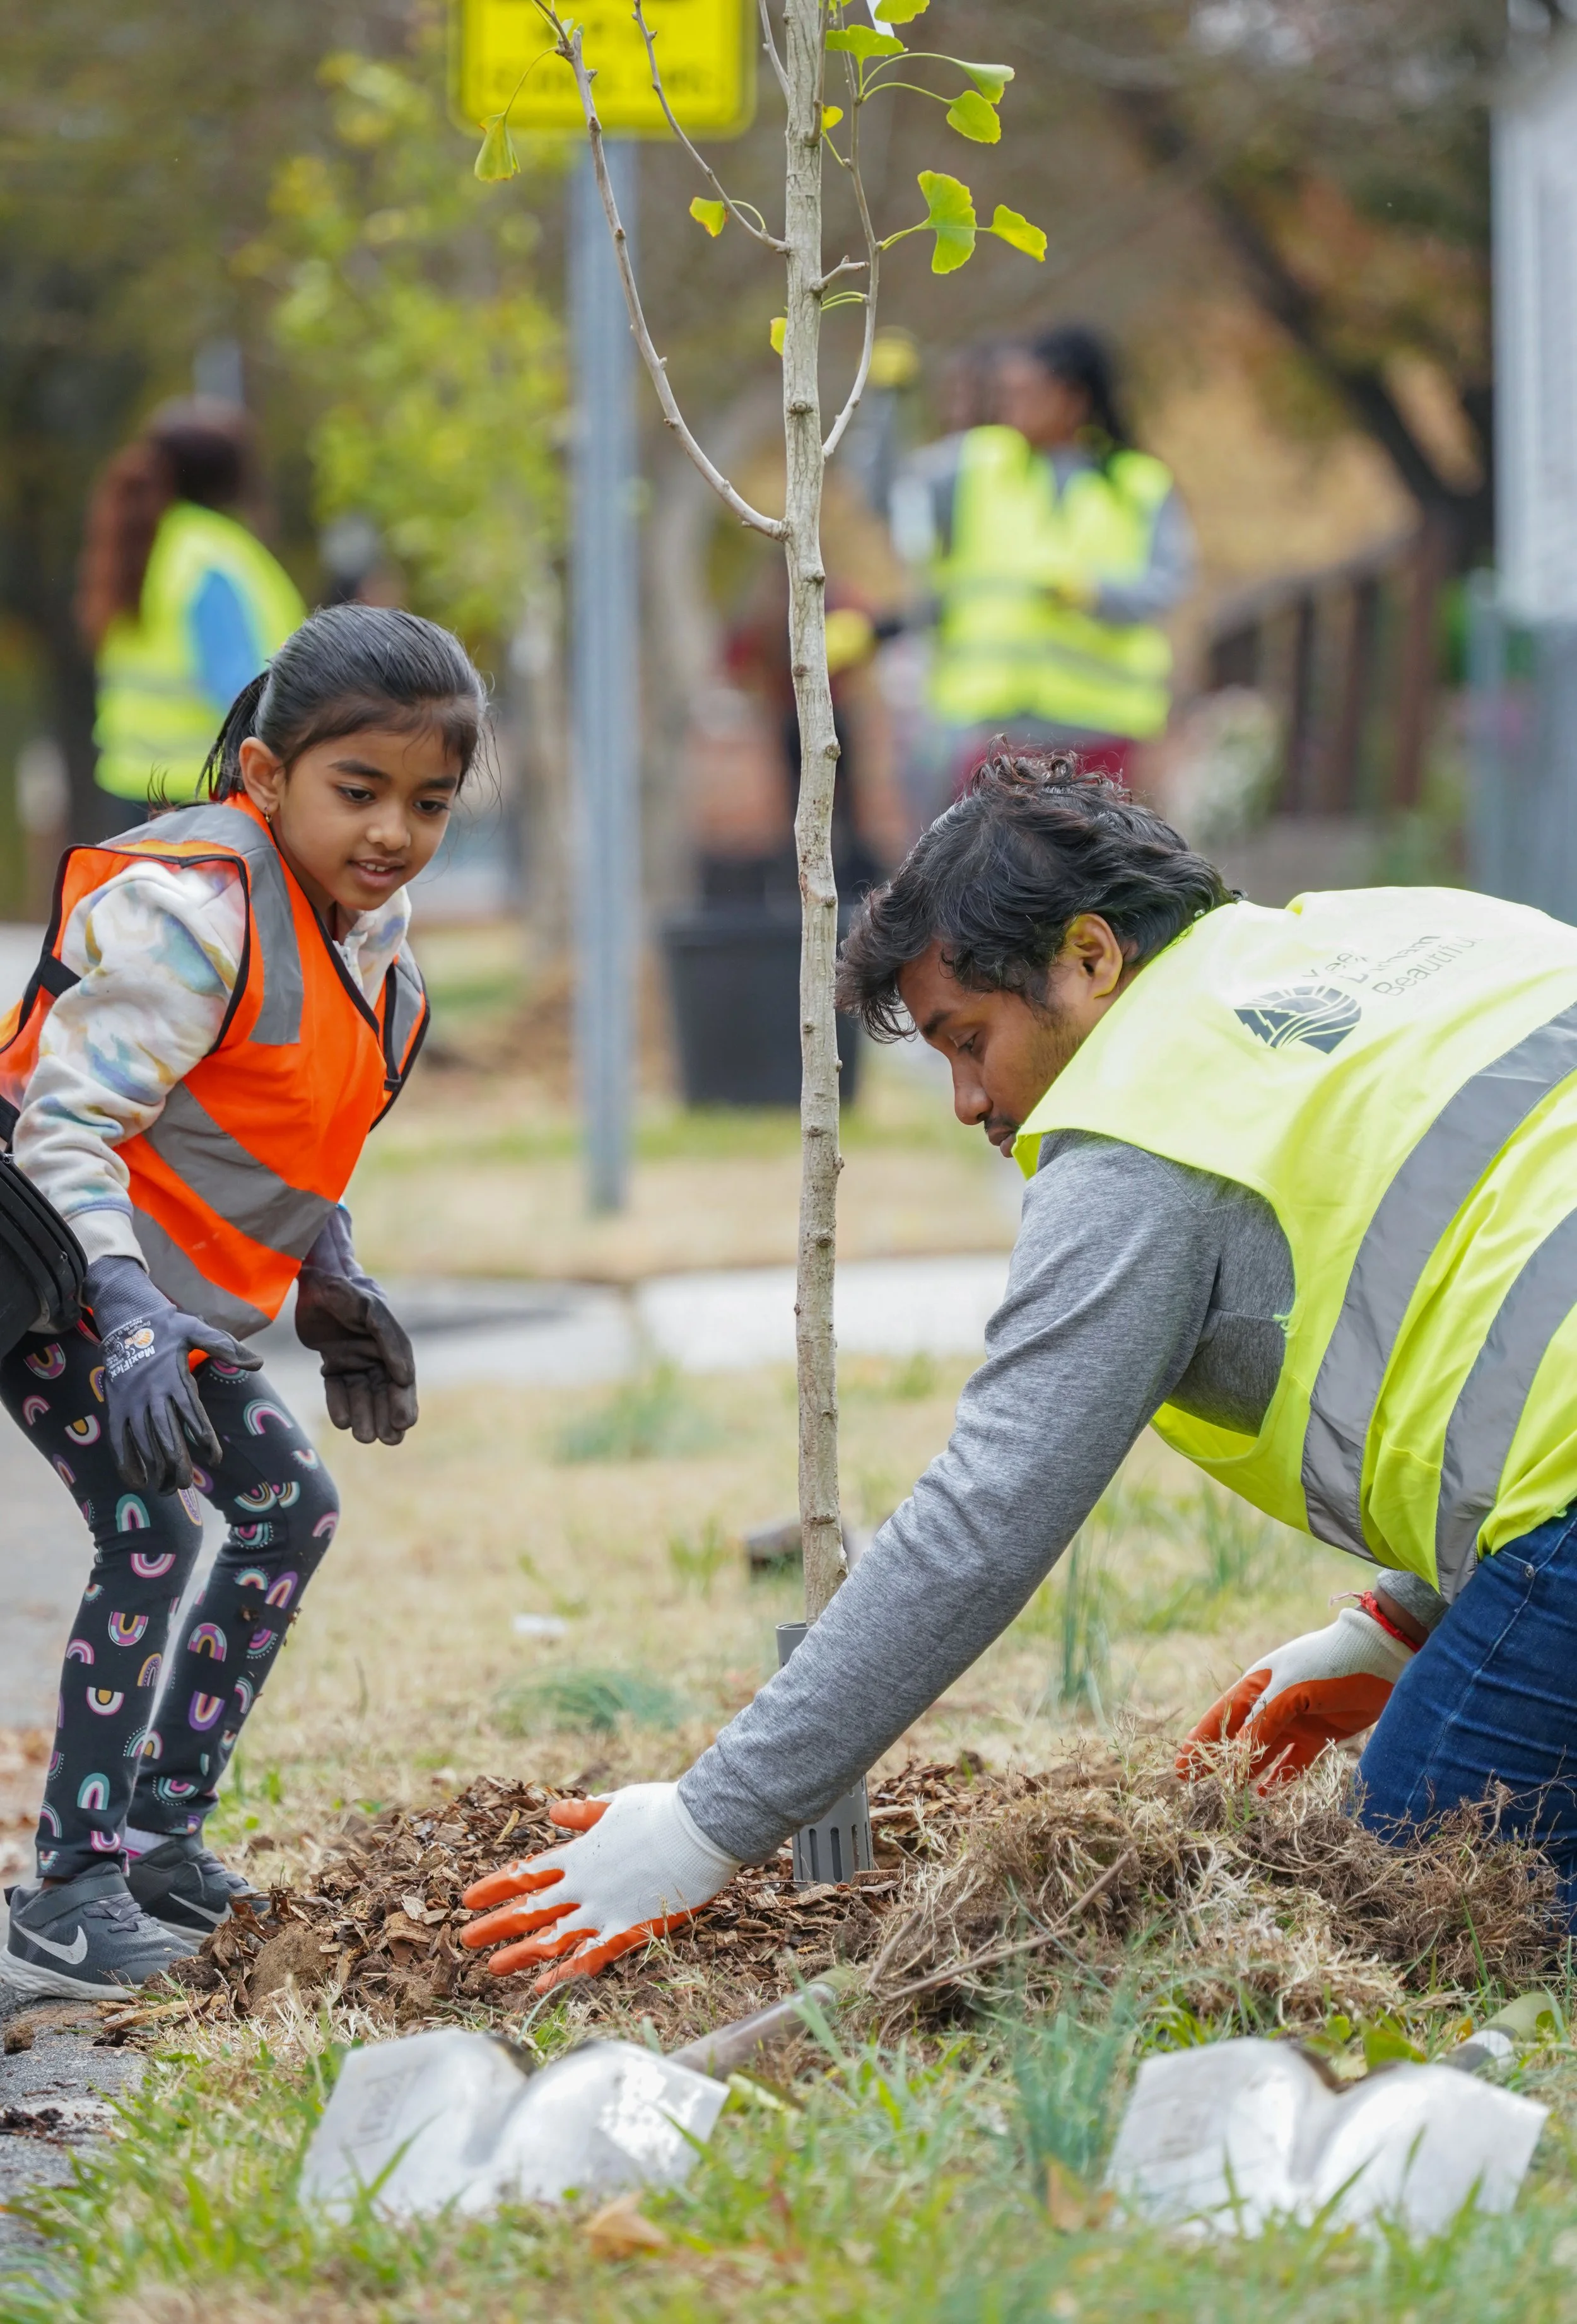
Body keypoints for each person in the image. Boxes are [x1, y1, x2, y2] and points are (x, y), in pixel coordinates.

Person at [455, 750, 1577, 1988]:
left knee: (1428, 1912)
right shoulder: (1408, 931)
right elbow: (1499, 1265)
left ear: (1091, 960)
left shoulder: (1141, 1134)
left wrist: (699, 1826)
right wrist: (1406, 1614)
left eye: (968, 1038)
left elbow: (983, 1516)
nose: (963, 1099)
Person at [0, 604, 487, 1997]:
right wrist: (128, 1307)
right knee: (149, 1527)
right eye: (359, 791)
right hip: (49, 1262)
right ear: (267, 780)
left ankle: (159, 1842)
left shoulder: (372, 941)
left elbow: (285, 1124)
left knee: (289, 1507)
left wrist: (334, 1278)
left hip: (155, 1302)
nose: (392, 829)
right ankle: (69, 1889)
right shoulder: (197, 913)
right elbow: (65, 1127)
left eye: (428, 802)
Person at [890, 328, 1195, 814]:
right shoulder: (976, 463)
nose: (1011, 408)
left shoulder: (1139, 483)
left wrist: (1092, 592)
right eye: (1006, 394)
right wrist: (888, 401)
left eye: (1027, 394)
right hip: (995, 727)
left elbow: (1166, 585)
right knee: (996, 879)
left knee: (1092, 878)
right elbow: (894, 496)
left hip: (1100, 725)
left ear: (1074, 399)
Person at [76, 400, 307, 819]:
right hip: (202, 795)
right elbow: (243, 691)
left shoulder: (145, 542)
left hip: (133, 789)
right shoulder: (211, 557)